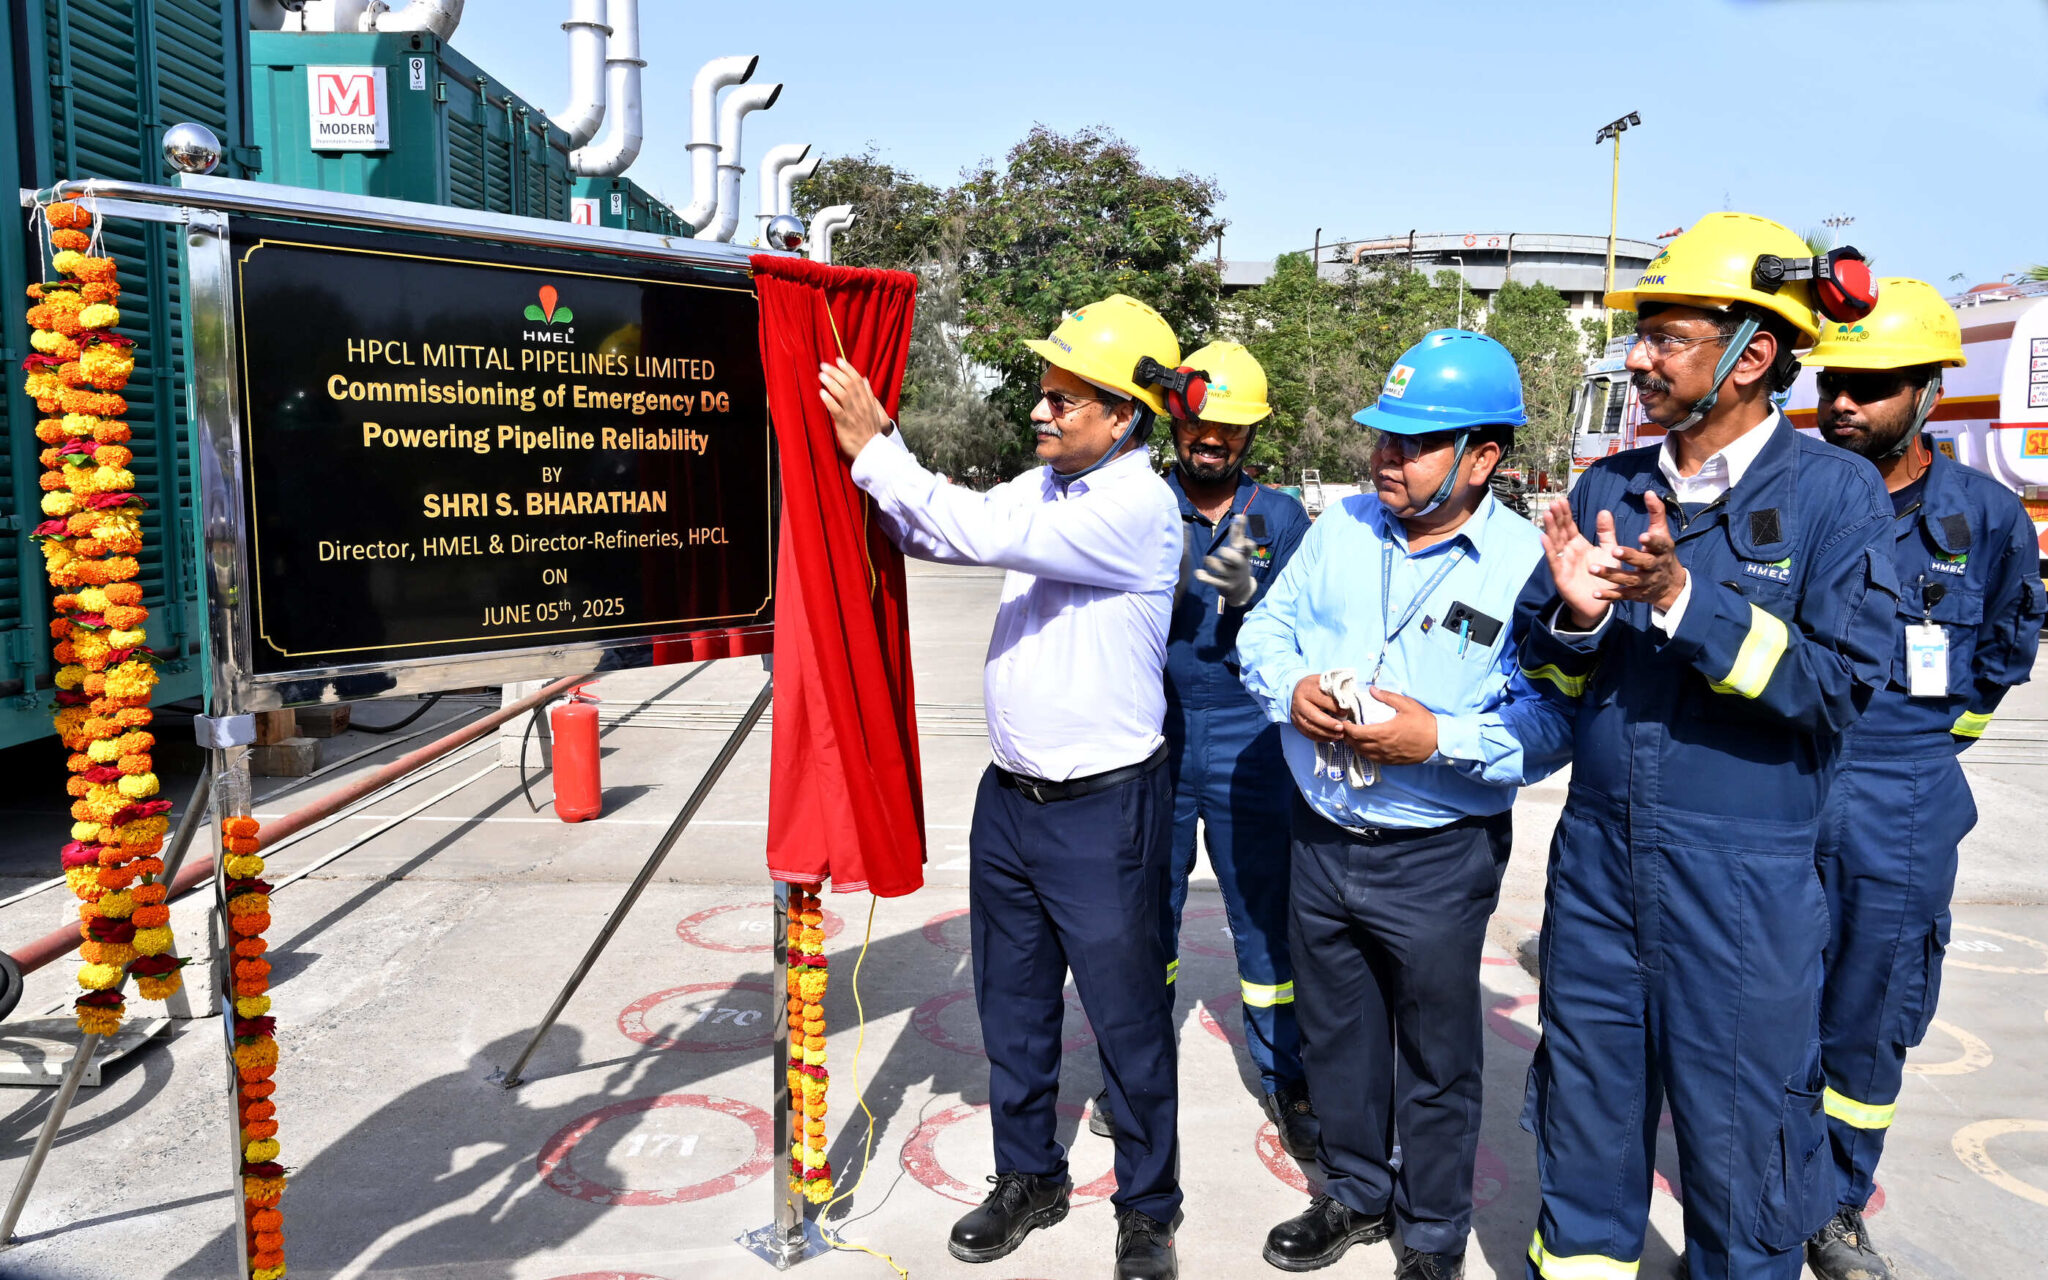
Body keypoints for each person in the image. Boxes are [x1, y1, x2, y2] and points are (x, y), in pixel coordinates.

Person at [1519, 212, 1900, 1280]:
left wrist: (1687, 600)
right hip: (1596, 867)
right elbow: (1544, 671)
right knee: (1582, 1122)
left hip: (1742, 880)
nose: (1637, 357)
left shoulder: (1832, 496)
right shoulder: (1604, 486)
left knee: (1742, 1150)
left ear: (1752, 355)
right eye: (1640, 335)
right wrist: (1578, 619)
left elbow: (1835, 688)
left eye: (1667, 336)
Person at [818, 295, 1185, 1280]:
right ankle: (1029, 1175)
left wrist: (879, 450)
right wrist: (868, 483)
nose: (1041, 409)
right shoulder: (1049, 487)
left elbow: (977, 530)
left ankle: (1148, 1205)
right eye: (1044, 391)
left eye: (1065, 397)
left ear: (1124, 414)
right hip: (1011, 803)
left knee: (1125, 1021)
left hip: (1102, 809)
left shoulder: (1134, 507)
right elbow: (948, 536)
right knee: (1012, 1007)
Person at [1237, 330, 1574, 1279]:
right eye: (1381, 438)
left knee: (1435, 1054)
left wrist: (1438, 741)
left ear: (1484, 458)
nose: (1385, 457)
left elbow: (1552, 724)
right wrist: (1290, 687)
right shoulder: (1340, 527)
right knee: (1338, 1034)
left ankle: (1431, 1234)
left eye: (1412, 443)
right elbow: (1265, 627)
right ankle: (1352, 1192)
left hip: (1436, 852)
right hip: (1321, 832)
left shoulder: (1524, 566)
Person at [1804, 278, 2045, 1280]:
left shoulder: (1982, 516)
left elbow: (2006, 637)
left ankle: (1832, 1205)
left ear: (1926, 392)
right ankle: (1755, 1207)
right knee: (1760, 1008)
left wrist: (1936, 738)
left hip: (1901, 798)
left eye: (1871, 385)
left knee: (1869, 1012)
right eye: (1833, 384)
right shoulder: (1792, 496)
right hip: (1781, 780)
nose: (1843, 403)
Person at [1107, 340, 1317, 1155]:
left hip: (1247, 739)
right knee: (1141, 919)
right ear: (1175, 415)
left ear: (1250, 435)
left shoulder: (1280, 518)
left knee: (1264, 920)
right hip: (1150, 735)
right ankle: (1133, 1071)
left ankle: (1285, 1078)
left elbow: (1301, 625)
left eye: (1230, 426)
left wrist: (1244, 575)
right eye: (1199, 418)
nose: (1211, 436)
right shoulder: (1139, 503)